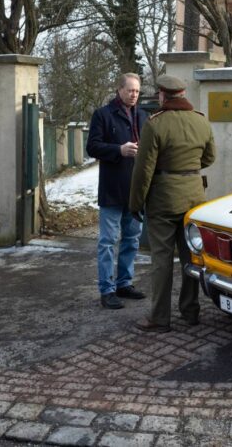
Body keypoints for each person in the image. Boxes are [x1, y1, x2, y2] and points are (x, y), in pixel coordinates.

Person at [129, 75, 216, 333]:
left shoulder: (155, 124)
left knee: (162, 260)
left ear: (163, 95)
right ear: (182, 94)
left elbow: (144, 170)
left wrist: (135, 203)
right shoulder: (201, 120)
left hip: (163, 200)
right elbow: (209, 157)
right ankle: (190, 311)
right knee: (191, 257)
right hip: (194, 196)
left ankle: (159, 318)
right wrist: (188, 169)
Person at [86, 73, 149, 310]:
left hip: (135, 190)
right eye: (130, 90)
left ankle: (124, 284)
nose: (134, 95)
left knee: (131, 240)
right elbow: (92, 147)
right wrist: (119, 150)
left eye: (137, 91)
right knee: (107, 242)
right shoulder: (103, 114)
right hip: (112, 189)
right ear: (119, 90)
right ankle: (107, 290)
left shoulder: (143, 116)